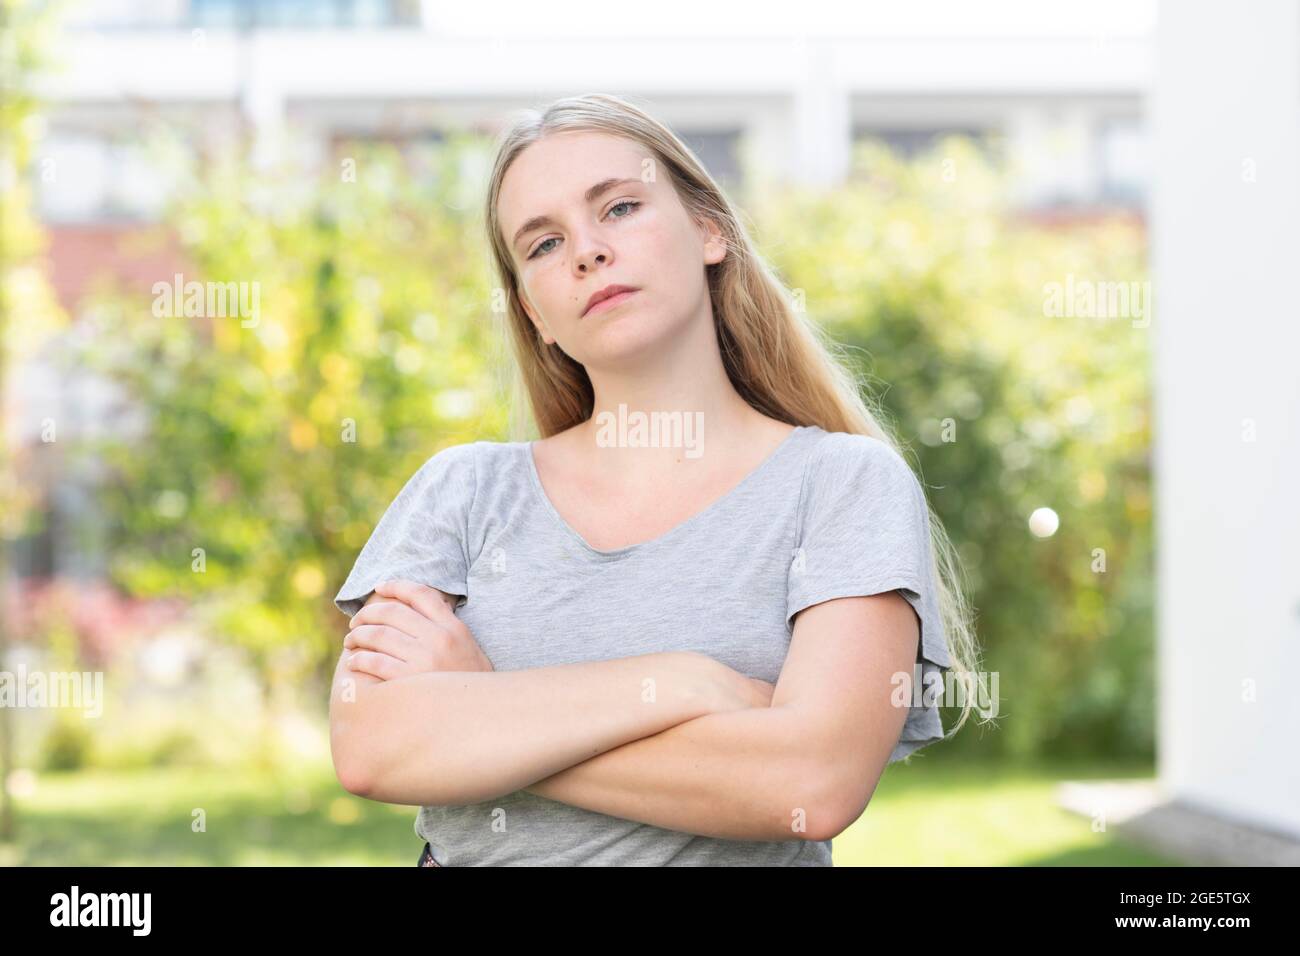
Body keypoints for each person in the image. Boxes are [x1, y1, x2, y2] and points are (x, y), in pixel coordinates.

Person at [329, 93, 980, 866]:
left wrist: (482, 705)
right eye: (542, 245)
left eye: (621, 207)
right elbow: (373, 748)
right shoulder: (463, 492)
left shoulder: (839, 486)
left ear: (709, 229)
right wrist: (681, 683)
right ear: (533, 312)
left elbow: (813, 781)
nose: (585, 252)